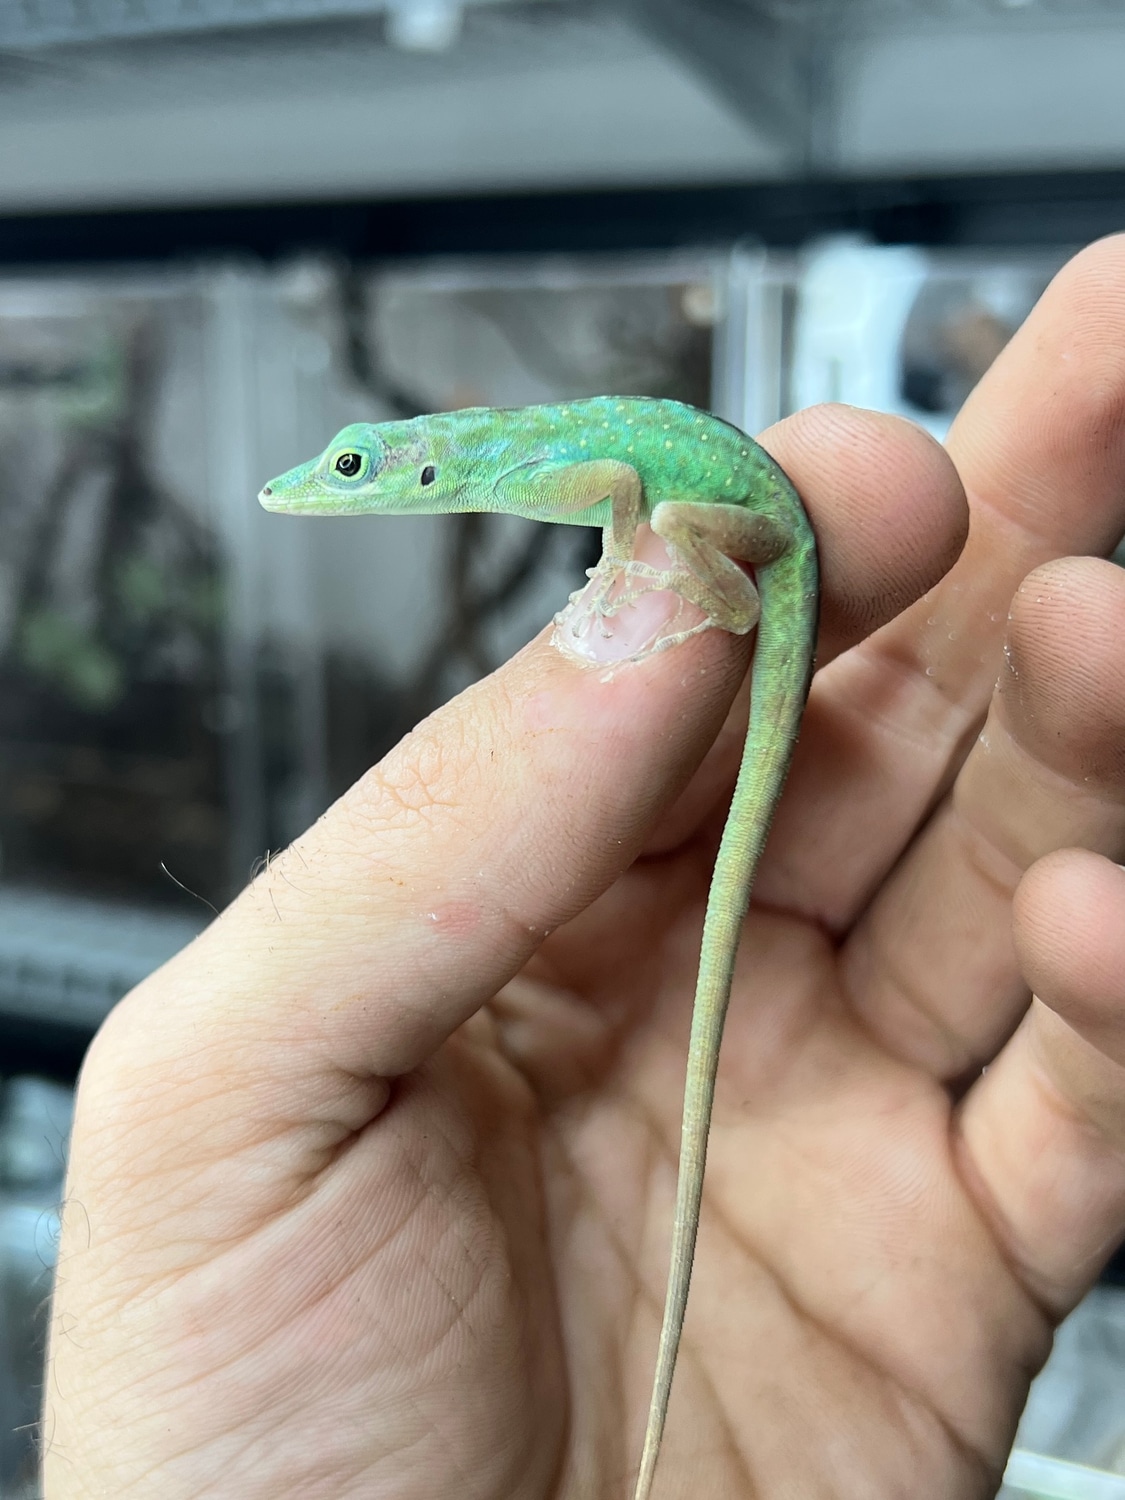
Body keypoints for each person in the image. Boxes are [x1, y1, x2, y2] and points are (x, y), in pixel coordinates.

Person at [42, 236, 1125, 1499]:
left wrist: (658, 568)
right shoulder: (503, 462)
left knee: (702, 560)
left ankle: (703, 594)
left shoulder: (533, 462)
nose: (331, 485)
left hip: (758, 533)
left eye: (353, 470)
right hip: (747, 516)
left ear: (425, 462)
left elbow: (622, 479)